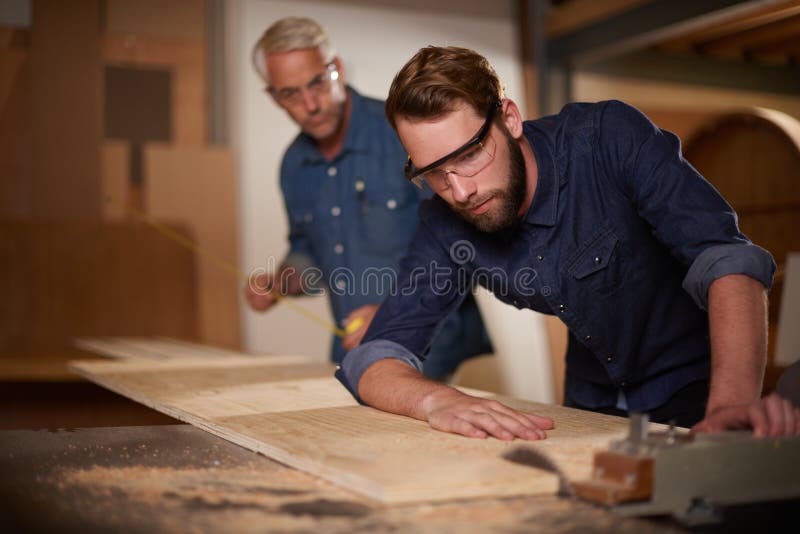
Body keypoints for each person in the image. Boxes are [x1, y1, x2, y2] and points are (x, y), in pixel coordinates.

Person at [336, 45, 800, 439]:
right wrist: (436, 401)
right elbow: (375, 356)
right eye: (434, 172)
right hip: (587, 405)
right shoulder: (446, 220)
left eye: (470, 155)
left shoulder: (608, 139)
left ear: (510, 118)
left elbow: (725, 258)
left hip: (697, 388)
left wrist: (730, 405)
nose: (459, 191)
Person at [243, 19, 491, 378]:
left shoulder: (403, 131)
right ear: (273, 96)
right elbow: (309, 251)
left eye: (316, 83)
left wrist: (396, 312)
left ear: (337, 69)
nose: (311, 104)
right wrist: (283, 281)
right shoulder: (293, 165)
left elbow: (468, 241)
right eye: (291, 94)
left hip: (437, 347)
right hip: (354, 349)